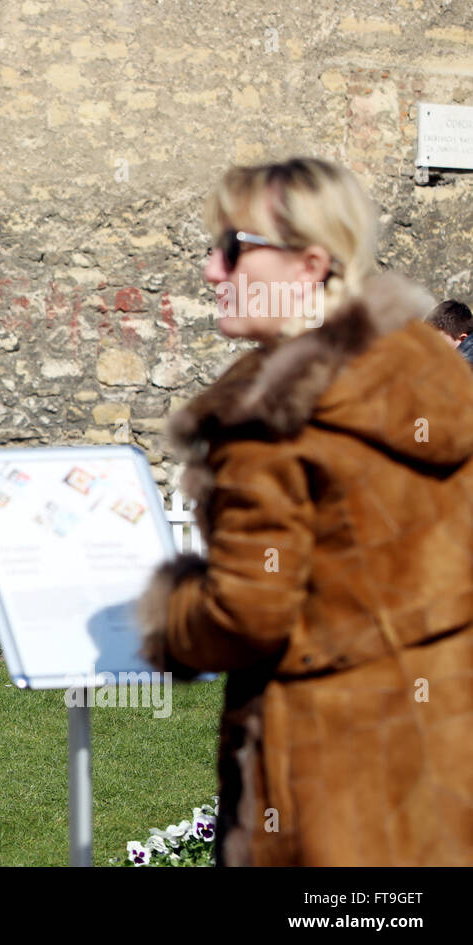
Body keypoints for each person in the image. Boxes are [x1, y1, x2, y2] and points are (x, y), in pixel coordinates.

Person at [137, 157, 473, 866]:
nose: (210, 271)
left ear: (310, 265)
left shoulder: (277, 417)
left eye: (233, 249)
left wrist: (162, 616)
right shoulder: (425, 374)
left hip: (325, 786)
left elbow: (248, 611)